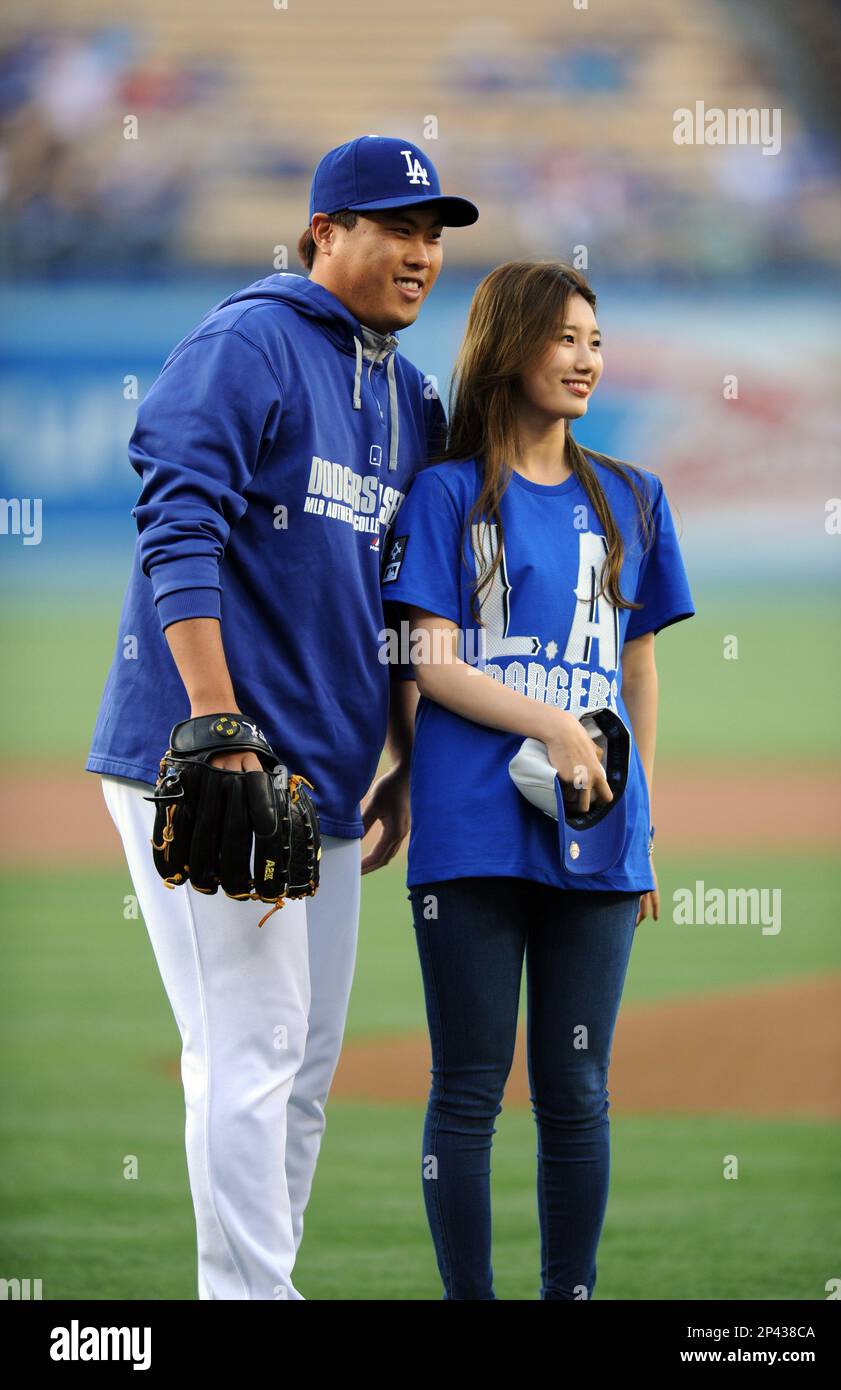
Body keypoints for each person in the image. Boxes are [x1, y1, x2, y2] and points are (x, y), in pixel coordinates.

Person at [84, 134, 478, 1300]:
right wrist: (215, 725)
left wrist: (403, 749)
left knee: (300, 1066)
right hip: (209, 756)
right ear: (323, 234)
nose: (420, 253)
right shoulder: (248, 341)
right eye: (395, 228)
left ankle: (259, 1285)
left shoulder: (410, 395)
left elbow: (400, 593)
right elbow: (178, 524)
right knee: (248, 1046)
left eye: (433, 234)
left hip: (331, 778)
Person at [379, 259, 696, 1300]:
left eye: (594, 342)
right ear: (509, 347)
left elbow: (638, 671)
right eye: (564, 338)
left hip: (597, 832)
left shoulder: (633, 497)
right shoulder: (444, 494)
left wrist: (640, 823)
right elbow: (430, 664)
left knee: (577, 1092)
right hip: (469, 829)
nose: (585, 359)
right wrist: (553, 723)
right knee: (467, 1091)